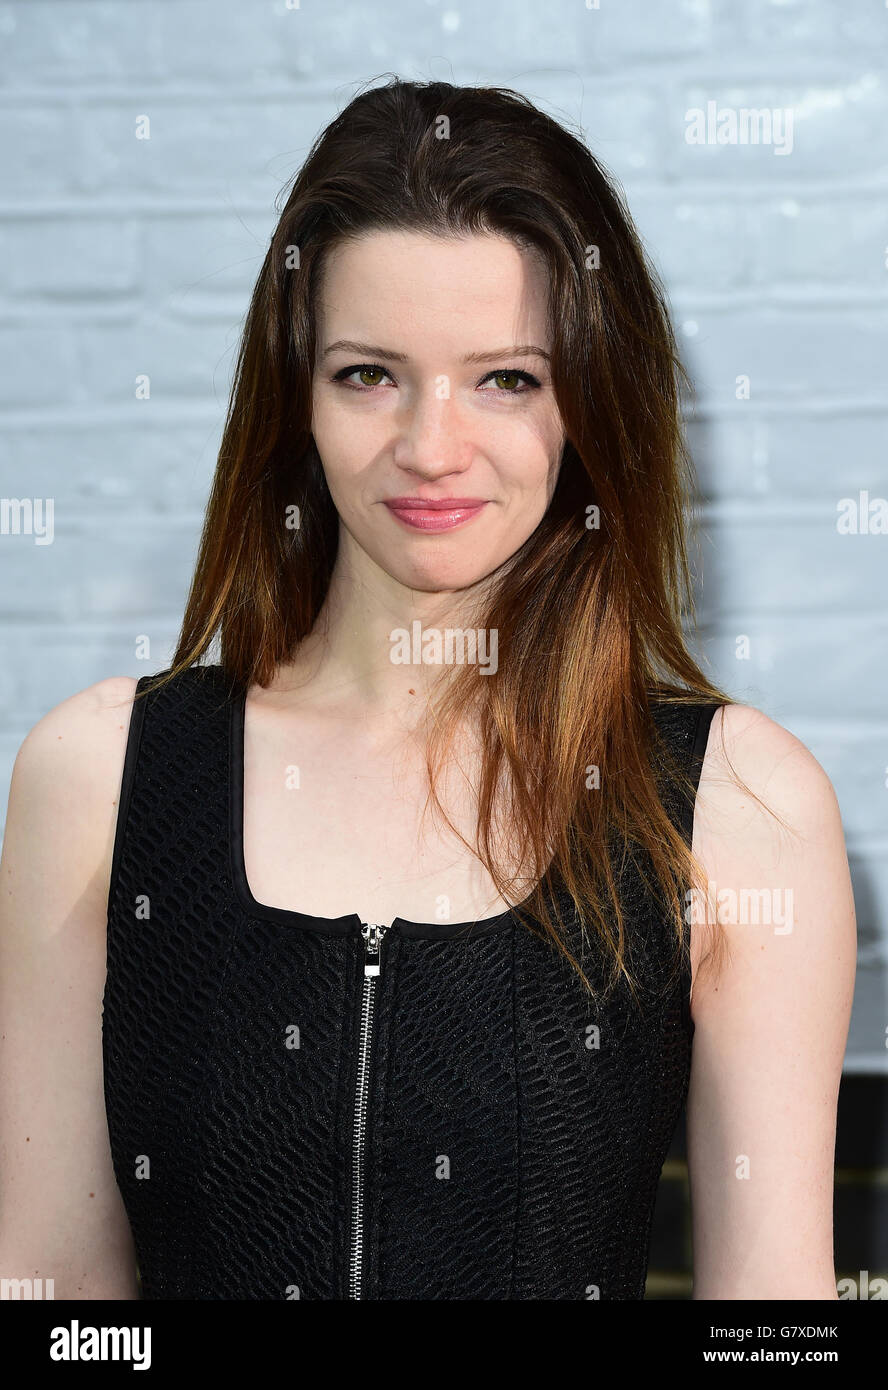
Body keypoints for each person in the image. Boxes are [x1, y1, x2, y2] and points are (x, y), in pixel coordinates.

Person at [0, 78, 856, 1301]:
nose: (432, 446)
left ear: (588, 400)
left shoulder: (740, 807)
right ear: (296, 392)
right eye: (369, 375)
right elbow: (50, 1297)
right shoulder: (97, 778)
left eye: (505, 378)